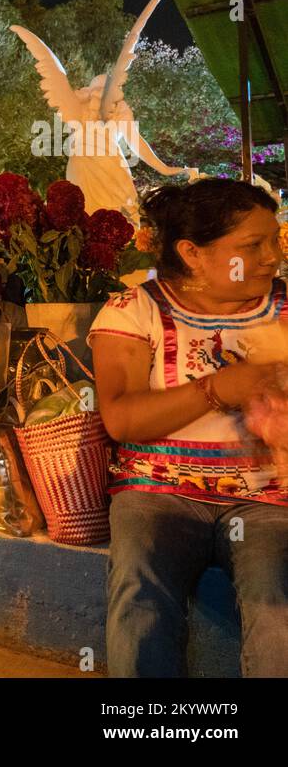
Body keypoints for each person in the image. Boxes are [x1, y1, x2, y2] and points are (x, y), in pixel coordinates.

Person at [90, 178, 288, 678]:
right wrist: (220, 388)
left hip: (268, 498)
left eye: (276, 239)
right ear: (192, 253)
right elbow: (120, 419)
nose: (272, 257)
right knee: (140, 594)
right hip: (158, 491)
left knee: (276, 602)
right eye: (253, 245)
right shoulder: (135, 309)